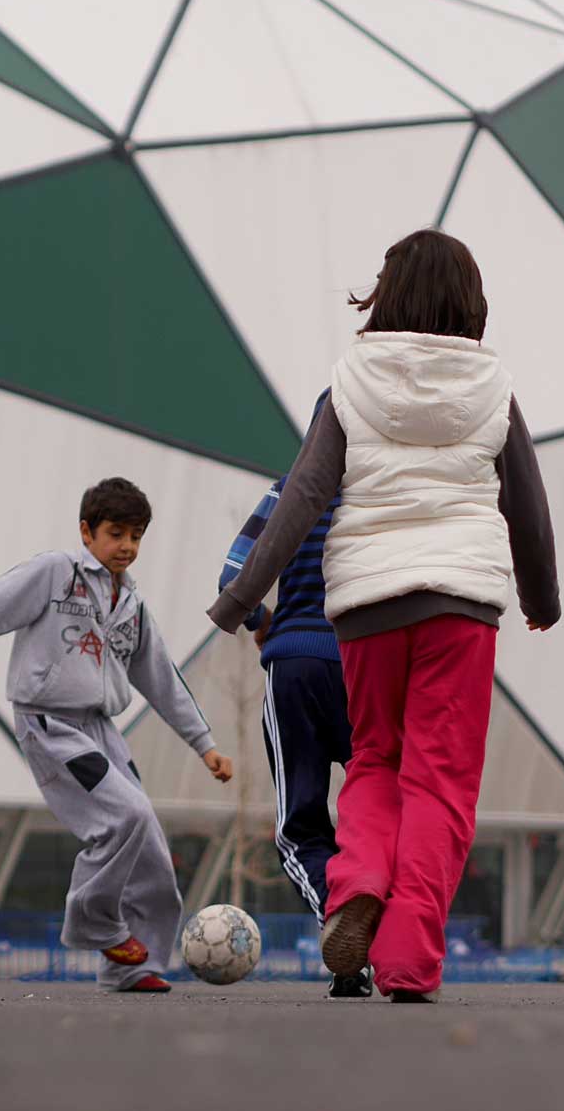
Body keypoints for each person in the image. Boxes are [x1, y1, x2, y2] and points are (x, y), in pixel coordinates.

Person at [209, 229, 559, 1003]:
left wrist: (240, 599)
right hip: (459, 608)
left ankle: (358, 882)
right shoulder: (494, 390)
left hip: (364, 608)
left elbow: (301, 498)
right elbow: (526, 506)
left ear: (385, 295)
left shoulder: (349, 385)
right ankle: (407, 961)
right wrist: (542, 599)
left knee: (373, 761)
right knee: (437, 782)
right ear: (471, 303)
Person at [0, 477, 233, 993]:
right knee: (121, 817)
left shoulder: (132, 603)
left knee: (150, 846)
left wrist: (205, 745)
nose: (126, 546)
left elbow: (162, 680)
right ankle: (95, 923)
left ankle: (134, 967)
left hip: (102, 731)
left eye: (136, 536)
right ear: (87, 532)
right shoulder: (55, 574)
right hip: (49, 724)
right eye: (115, 533)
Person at [215, 391, 366, 997]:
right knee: (376, 810)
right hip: (365, 667)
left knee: (300, 823)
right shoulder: (378, 492)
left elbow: (234, 575)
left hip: (296, 662)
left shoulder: (287, 490)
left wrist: (261, 628)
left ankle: (340, 922)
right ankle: (372, 916)